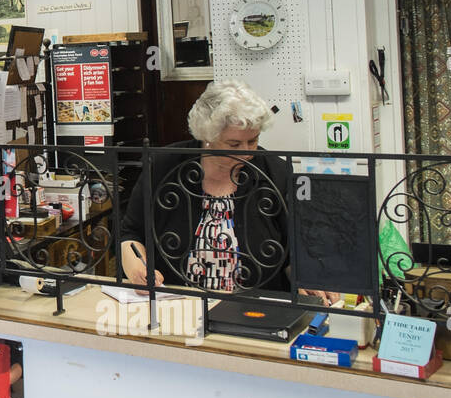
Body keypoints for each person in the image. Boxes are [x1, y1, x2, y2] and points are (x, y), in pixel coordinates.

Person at [120, 79, 339, 303]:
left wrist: (309, 278)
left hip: (255, 308)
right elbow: (131, 234)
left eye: (252, 141)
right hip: (178, 304)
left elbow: (295, 251)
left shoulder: (276, 173)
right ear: (207, 136)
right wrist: (137, 268)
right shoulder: (164, 165)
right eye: (234, 144)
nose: (246, 153)